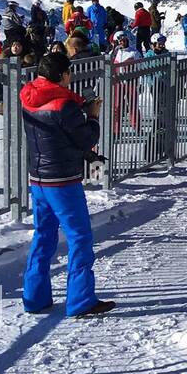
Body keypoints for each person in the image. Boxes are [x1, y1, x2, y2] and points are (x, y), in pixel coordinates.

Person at [19, 52, 115, 318]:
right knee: (79, 238)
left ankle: (34, 297)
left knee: (43, 236)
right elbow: (86, 139)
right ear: (62, 75)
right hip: (62, 181)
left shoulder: (27, 96)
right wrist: (93, 116)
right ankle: (81, 300)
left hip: (38, 179)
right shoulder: (65, 105)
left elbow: (57, 127)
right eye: (68, 73)